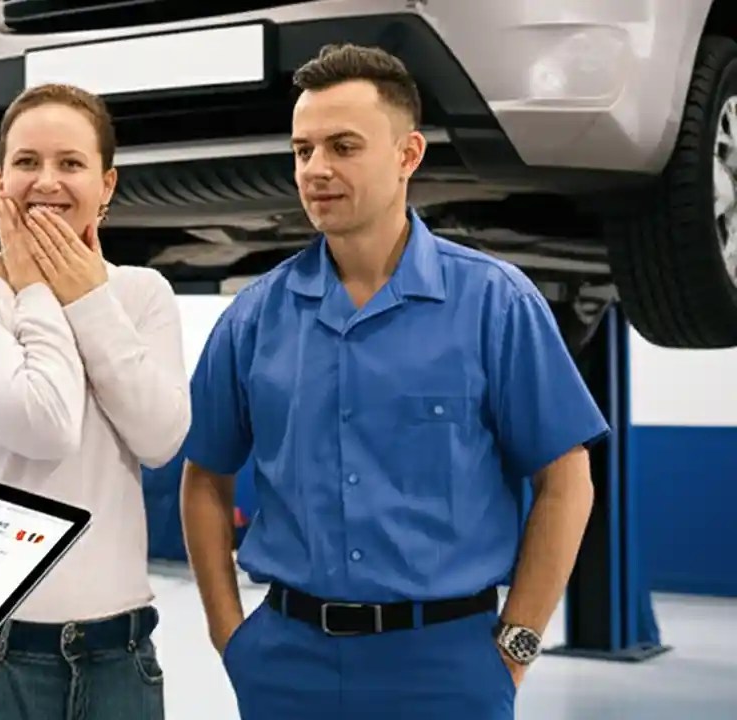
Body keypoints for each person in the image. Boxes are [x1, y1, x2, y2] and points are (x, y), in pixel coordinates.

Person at [180, 44, 609, 719]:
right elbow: (204, 477)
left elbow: (566, 477)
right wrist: (229, 634)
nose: (316, 169)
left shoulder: (495, 305)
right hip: (286, 664)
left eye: (343, 146)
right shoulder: (253, 318)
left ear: (408, 155)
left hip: (447, 666)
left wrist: (516, 645)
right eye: (303, 150)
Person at [0, 83, 191, 720]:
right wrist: (41, 290)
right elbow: (47, 426)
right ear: (0, 180)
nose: (47, 181)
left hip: (118, 653)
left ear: (107, 184)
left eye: (70, 163)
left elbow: (161, 437)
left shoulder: (143, 294)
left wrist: (88, 298)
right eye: (27, 162)